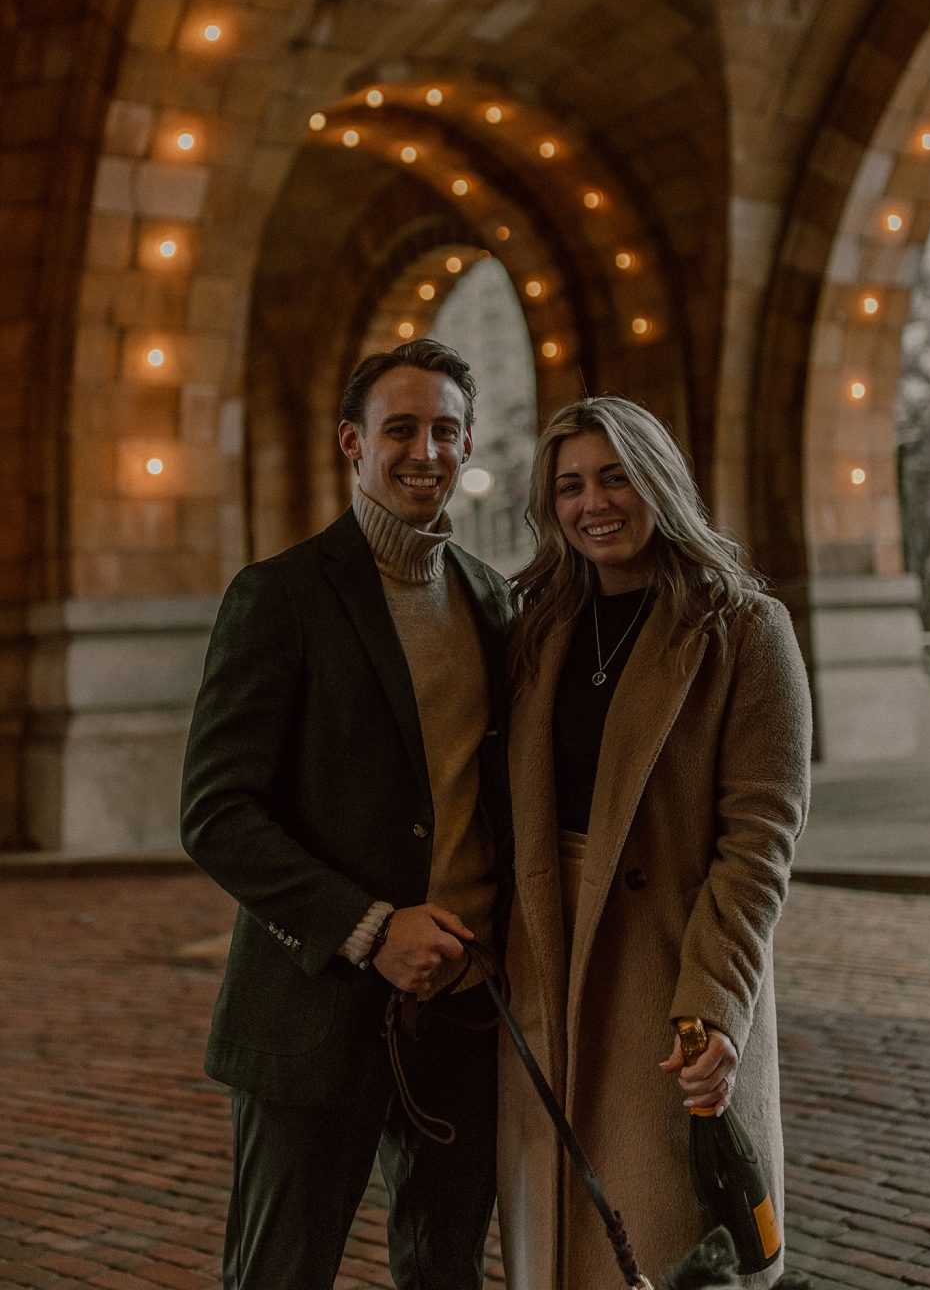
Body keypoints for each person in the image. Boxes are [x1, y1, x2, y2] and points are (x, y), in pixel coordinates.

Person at [180, 338, 512, 1290]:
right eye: (400, 428)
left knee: (445, 1272)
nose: (426, 450)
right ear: (352, 444)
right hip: (313, 1010)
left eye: (446, 430)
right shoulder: (279, 596)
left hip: (462, 1013)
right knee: (280, 1274)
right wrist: (369, 930)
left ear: (468, 443)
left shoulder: (491, 601)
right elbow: (216, 812)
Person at [497, 395, 812, 1290]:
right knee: (552, 1238)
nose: (593, 502)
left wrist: (715, 1002)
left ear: (660, 483)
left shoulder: (746, 631)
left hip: (669, 976)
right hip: (544, 965)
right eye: (569, 485)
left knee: (660, 1235)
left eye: (615, 476)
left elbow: (759, 845)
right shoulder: (537, 626)